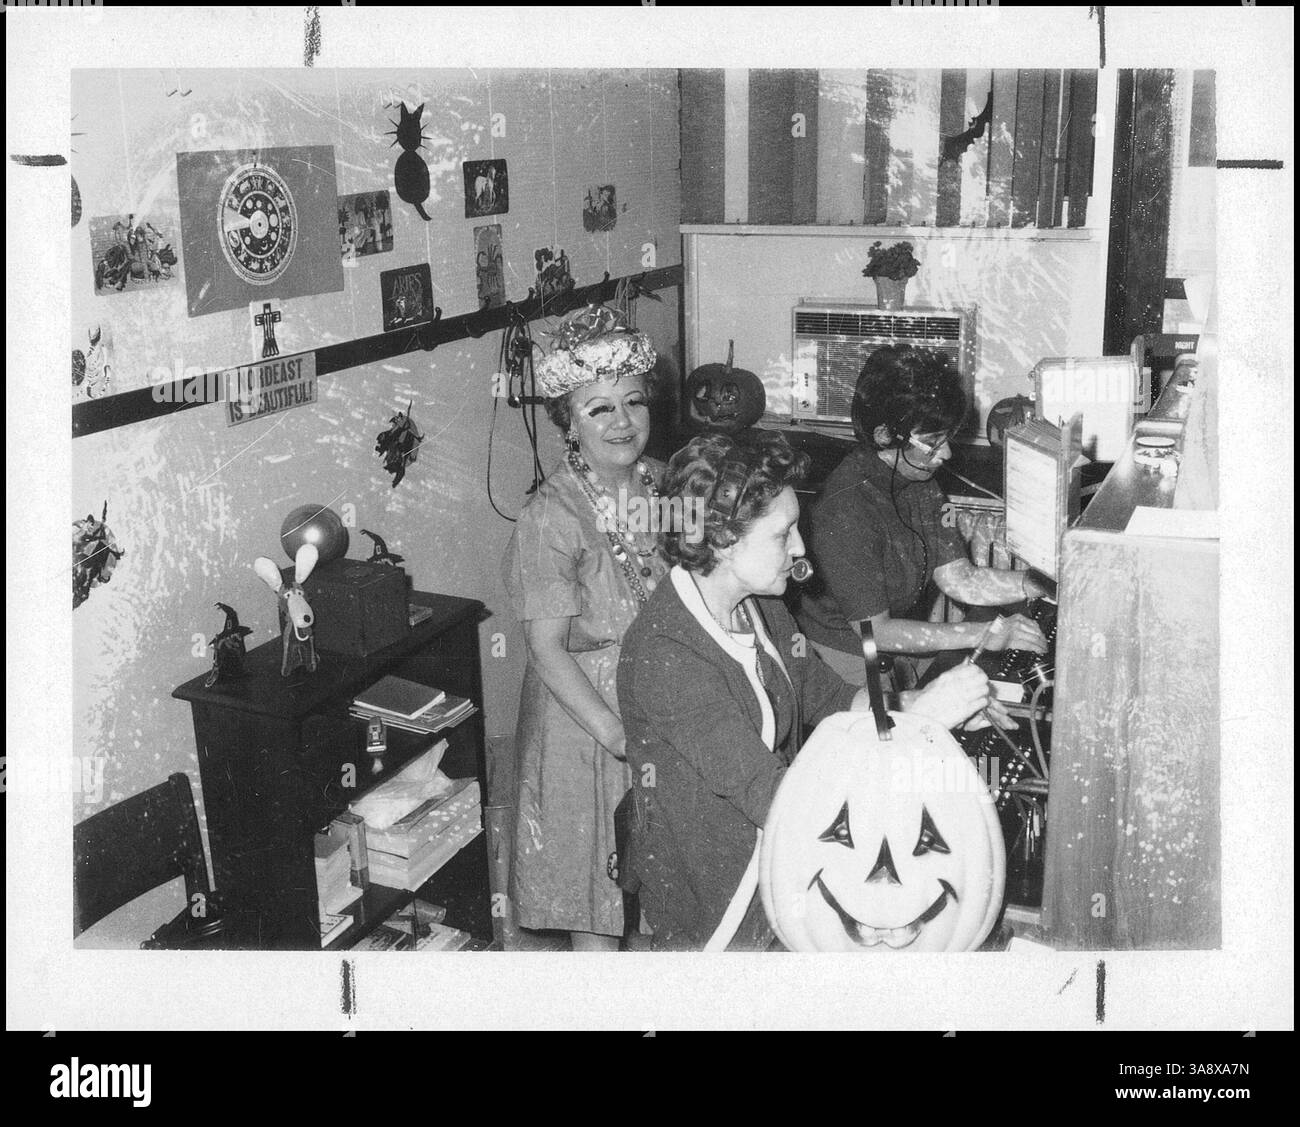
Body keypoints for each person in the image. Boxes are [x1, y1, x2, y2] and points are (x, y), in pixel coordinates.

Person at [616, 430, 1003, 950]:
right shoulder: (667, 656)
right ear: (723, 540)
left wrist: (913, 711)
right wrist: (925, 723)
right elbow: (771, 796)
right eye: (784, 534)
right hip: (718, 904)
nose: (801, 549)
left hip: (777, 869)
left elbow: (835, 700)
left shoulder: (759, 603)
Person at [502, 305, 668, 951]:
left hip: (659, 692)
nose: (622, 422)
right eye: (599, 409)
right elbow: (545, 646)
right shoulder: (552, 514)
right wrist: (614, 732)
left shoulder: (667, 480)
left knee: (657, 875)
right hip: (584, 718)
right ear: (568, 424)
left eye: (633, 402)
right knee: (592, 888)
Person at [798, 344, 1050, 688]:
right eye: (932, 442)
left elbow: (961, 579)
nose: (945, 453)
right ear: (885, 435)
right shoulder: (844, 510)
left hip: (888, 647)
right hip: (843, 659)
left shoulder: (919, 480)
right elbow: (878, 632)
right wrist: (986, 633)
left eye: (947, 439)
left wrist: (1037, 584)